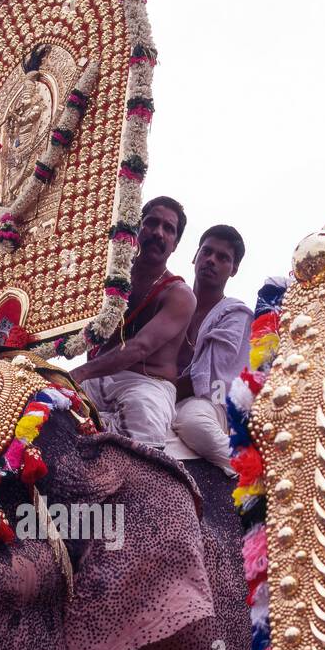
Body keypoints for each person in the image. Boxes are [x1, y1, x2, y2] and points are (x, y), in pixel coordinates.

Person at [74, 197, 196, 449]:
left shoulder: (179, 294)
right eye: (151, 223)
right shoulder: (108, 279)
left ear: (175, 244)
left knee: (143, 412)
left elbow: (140, 347)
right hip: (96, 379)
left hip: (147, 385)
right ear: (138, 227)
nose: (158, 233)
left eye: (168, 229)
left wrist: (80, 373)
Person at [170, 224, 253, 472]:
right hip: (161, 393)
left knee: (193, 422)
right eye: (206, 252)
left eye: (222, 257)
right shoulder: (171, 299)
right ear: (195, 256)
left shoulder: (236, 314)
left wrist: (158, 390)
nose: (211, 260)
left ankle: (247, 470)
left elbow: (208, 382)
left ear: (234, 269)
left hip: (211, 403)